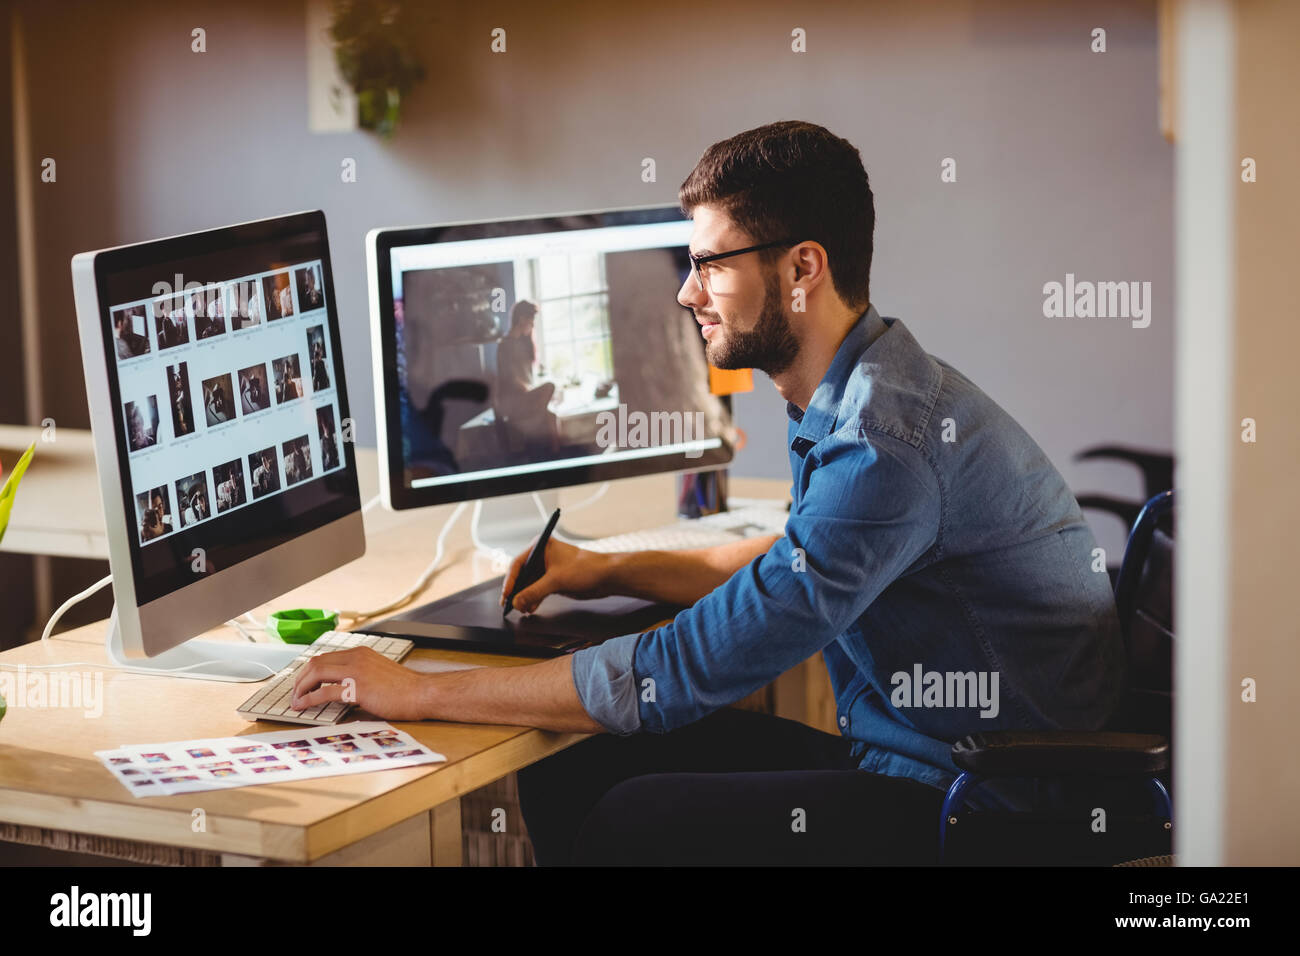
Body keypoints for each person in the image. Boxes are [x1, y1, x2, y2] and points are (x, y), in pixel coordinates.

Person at [289, 121, 1126, 866]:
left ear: (802, 268)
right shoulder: (863, 390)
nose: (686, 293)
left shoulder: (884, 446)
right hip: (922, 757)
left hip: (980, 807)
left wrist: (418, 691)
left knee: (633, 819)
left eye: (708, 265)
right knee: (573, 764)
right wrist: (602, 570)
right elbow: (784, 570)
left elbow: (682, 669)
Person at [494, 301, 559, 454]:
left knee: (552, 418)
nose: (533, 325)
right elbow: (511, 379)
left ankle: (556, 459)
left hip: (528, 399)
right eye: (531, 321)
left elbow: (528, 378)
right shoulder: (504, 345)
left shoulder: (524, 343)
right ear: (522, 319)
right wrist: (534, 392)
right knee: (550, 386)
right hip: (515, 401)